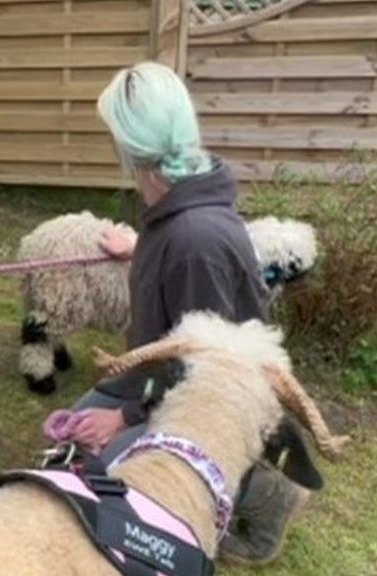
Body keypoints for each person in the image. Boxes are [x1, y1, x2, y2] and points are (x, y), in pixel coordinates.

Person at [43, 62, 304, 566]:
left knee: (110, 494)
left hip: (203, 398)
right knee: (71, 444)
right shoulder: (181, 199)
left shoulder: (193, 240)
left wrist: (121, 418)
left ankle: (265, 490)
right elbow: (184, 274)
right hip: (154, 375)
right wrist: (140, 249)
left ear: (128, 144)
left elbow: (204, 370)